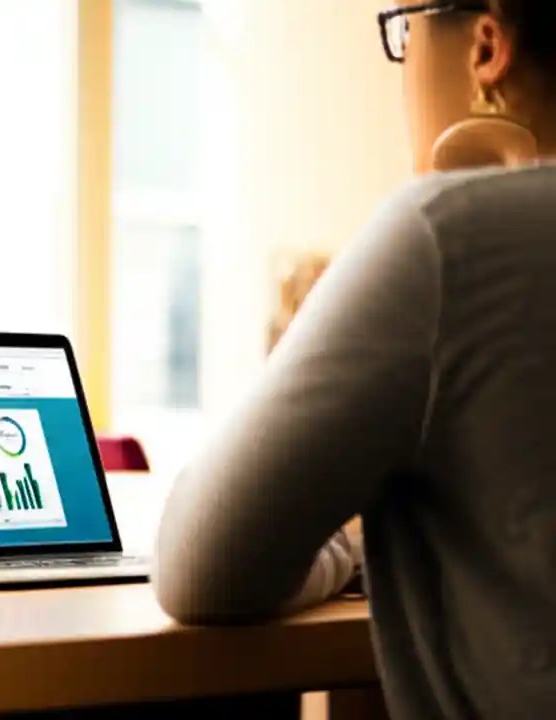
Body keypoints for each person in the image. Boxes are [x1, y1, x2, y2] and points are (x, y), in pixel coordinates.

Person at [152, 1, 556, 717]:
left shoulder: (449, 234)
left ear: (487, 46)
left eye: (406, 26)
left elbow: (201, 568)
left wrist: (348, 537)